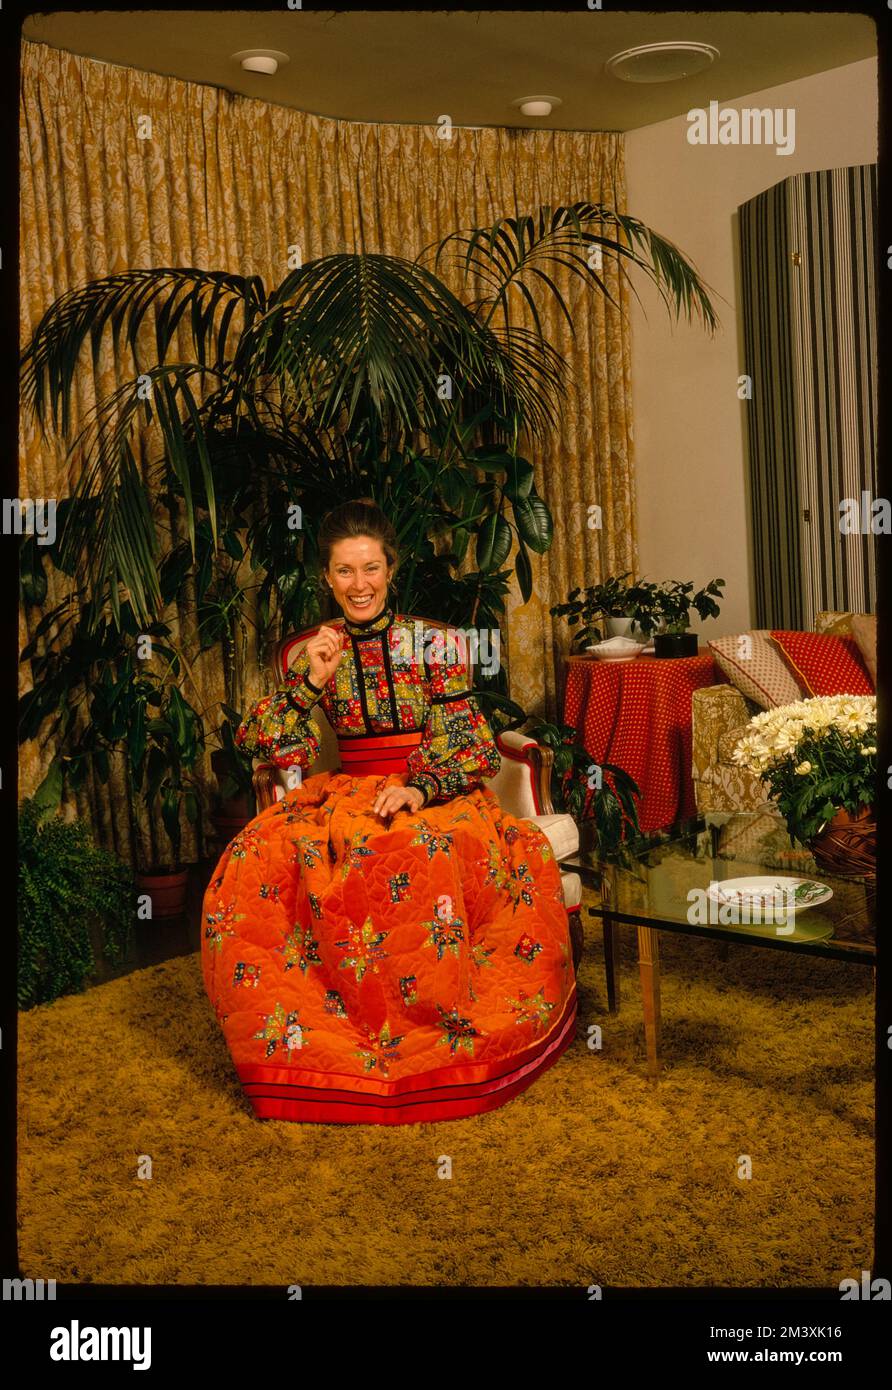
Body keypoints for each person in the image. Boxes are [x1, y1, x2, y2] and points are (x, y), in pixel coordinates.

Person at [201, 498, 578, 1123]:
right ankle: (316, 1043)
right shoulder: (316, 652)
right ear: (327, 578)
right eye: (345, 572)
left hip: (438, 790)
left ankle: (430, 1038)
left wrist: (420, 789)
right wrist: (310, 682)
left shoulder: (434, 643)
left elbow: (470, 741)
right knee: (255, 854)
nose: (359, 585)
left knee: (412, 849)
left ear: (390, 570)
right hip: (348, 789)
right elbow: (255, 743)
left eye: (370, 569)